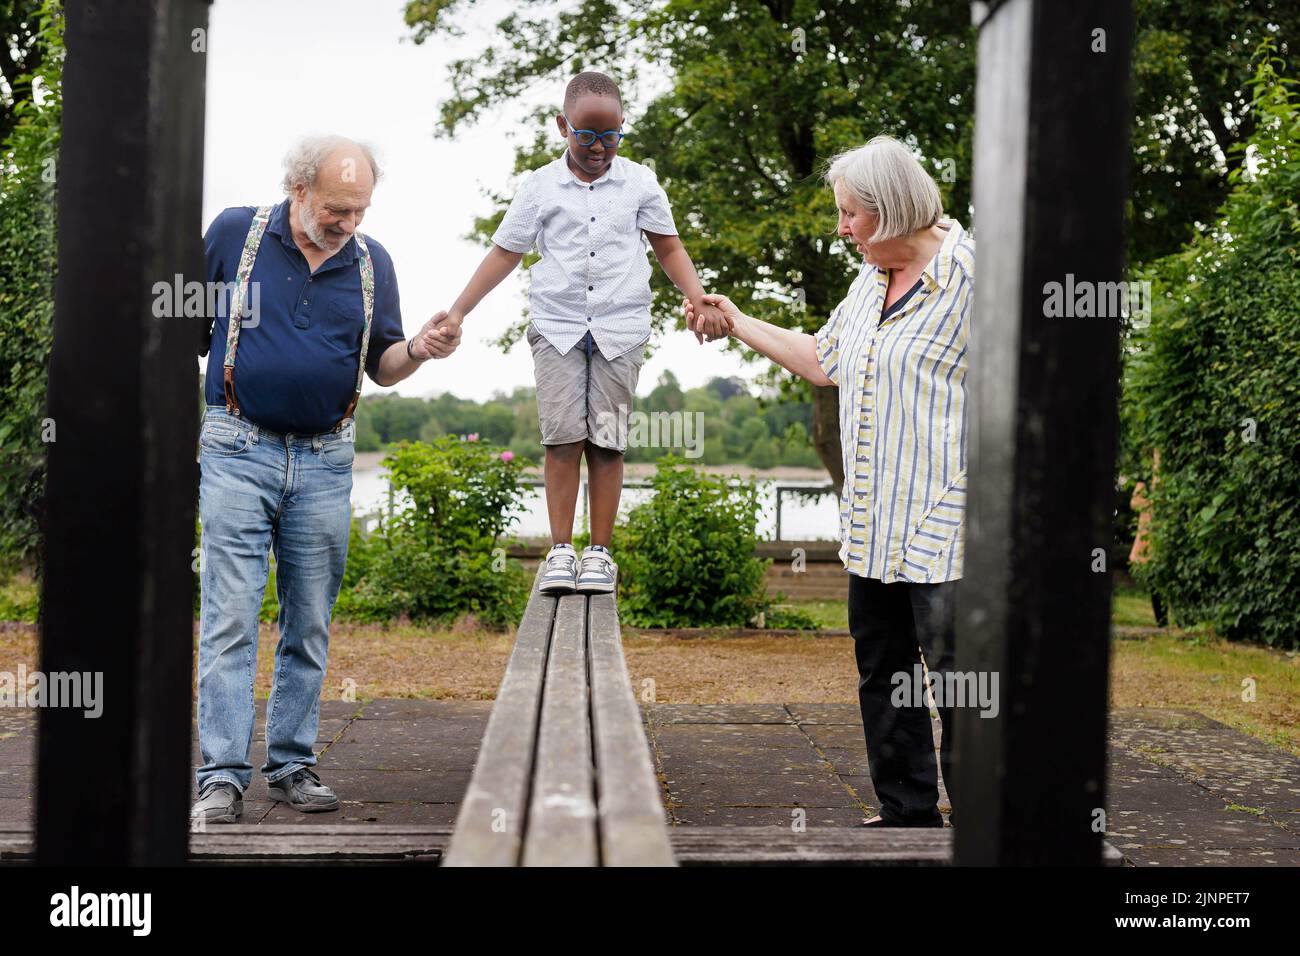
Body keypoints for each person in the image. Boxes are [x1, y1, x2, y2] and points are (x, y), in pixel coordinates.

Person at [686, 135, 974, 827]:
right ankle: (906, 811)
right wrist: (737, 319)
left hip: (952, 524)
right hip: (875, 524)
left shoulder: (976, 274)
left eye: (850, 214)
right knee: (885, 672)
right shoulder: (870, 280)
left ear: (893, 208)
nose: (840, 228)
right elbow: (823, 360)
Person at [191, 135, 462, 824]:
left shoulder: (374, 263)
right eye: (338, 208)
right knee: (228, 619)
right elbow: (187, 329)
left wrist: (421, 351)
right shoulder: (233, 234)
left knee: (307, 623)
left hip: (325, 458)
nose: (349, 223)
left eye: (361, 209)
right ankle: (221, 776)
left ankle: (291, 765)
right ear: (299, 188)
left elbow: (384, 364)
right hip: (237, 445)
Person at [440, 70, 730, 596]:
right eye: (587, 136)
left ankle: (599, 554)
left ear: (622, 130)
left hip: (622, 326)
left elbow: (668, 246)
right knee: (562, 438)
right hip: (558, 326)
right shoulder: (539, 186)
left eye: (611, 136)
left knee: (608, 443)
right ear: (562, 127)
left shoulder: (640, 182)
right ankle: (559, 551)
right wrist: (459, 311)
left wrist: (697, 295)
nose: (599, 148)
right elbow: (506, 252)